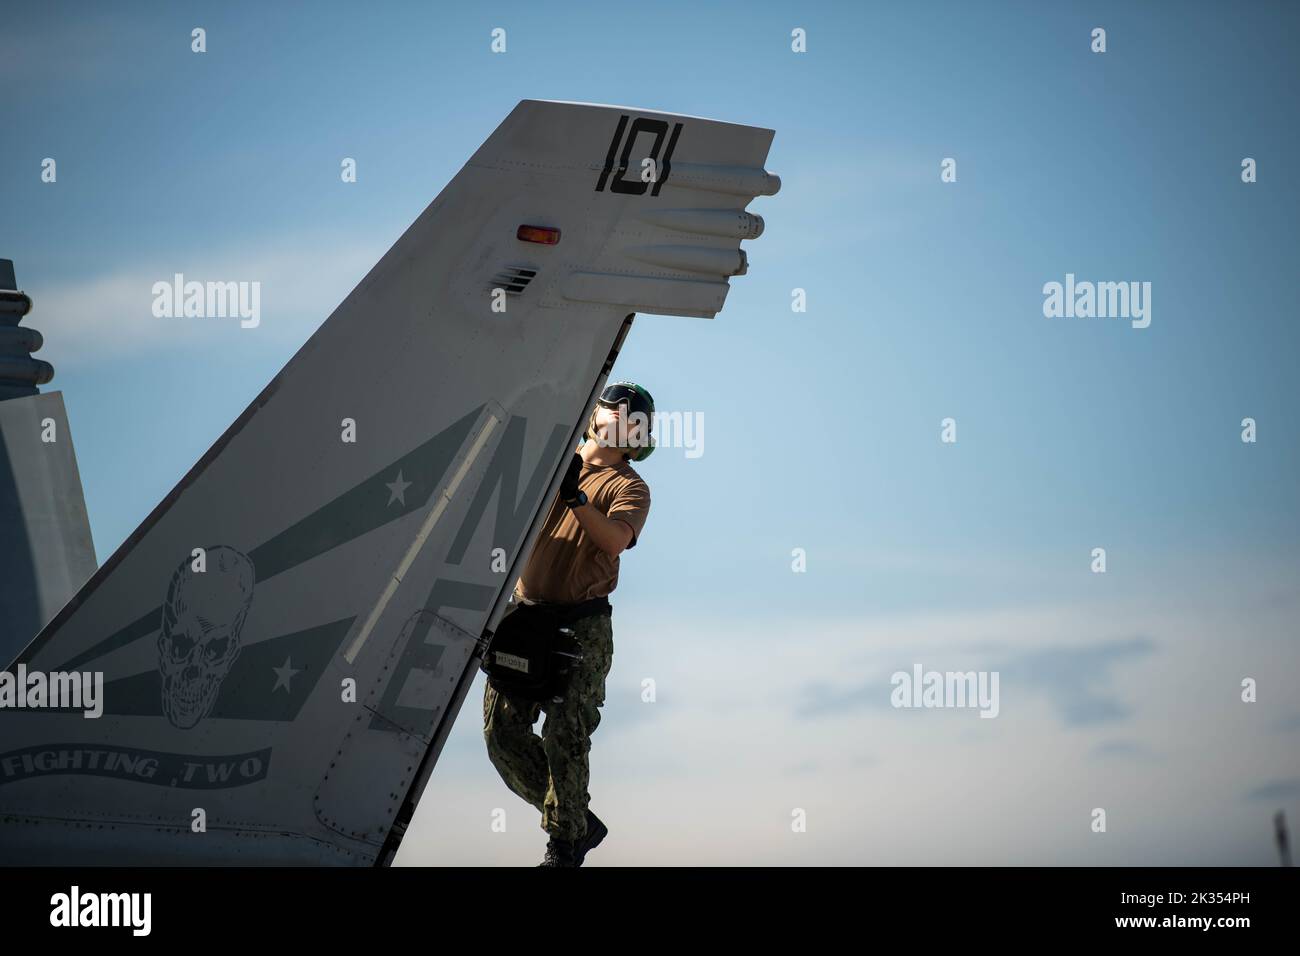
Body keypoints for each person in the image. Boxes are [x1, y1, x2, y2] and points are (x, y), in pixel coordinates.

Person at [483, 381, 655, 866]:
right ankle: (575, 819)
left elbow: (616, 541)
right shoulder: (553, 457)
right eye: (618, 413)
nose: (624, 424)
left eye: (634, 421)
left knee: (566, 736)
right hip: (523, 616)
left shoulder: (629, 487)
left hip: (581, 628)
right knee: (502, 736)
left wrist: (576, 498)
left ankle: (564, 844)